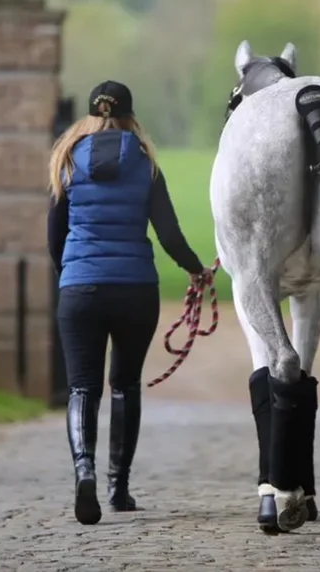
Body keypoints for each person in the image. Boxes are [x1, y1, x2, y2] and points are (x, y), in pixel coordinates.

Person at [47, 80, 210, 526]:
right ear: (130, 116)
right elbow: (169, 233)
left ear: (91, 115)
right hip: (136, 287)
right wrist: (197, 270)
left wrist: (73, 276)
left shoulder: (67, 160)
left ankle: (85, 472)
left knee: (82, 387)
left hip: (80, 289)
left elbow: (54, 236)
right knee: (124, 384)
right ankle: (118, 489)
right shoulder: (144, 163)